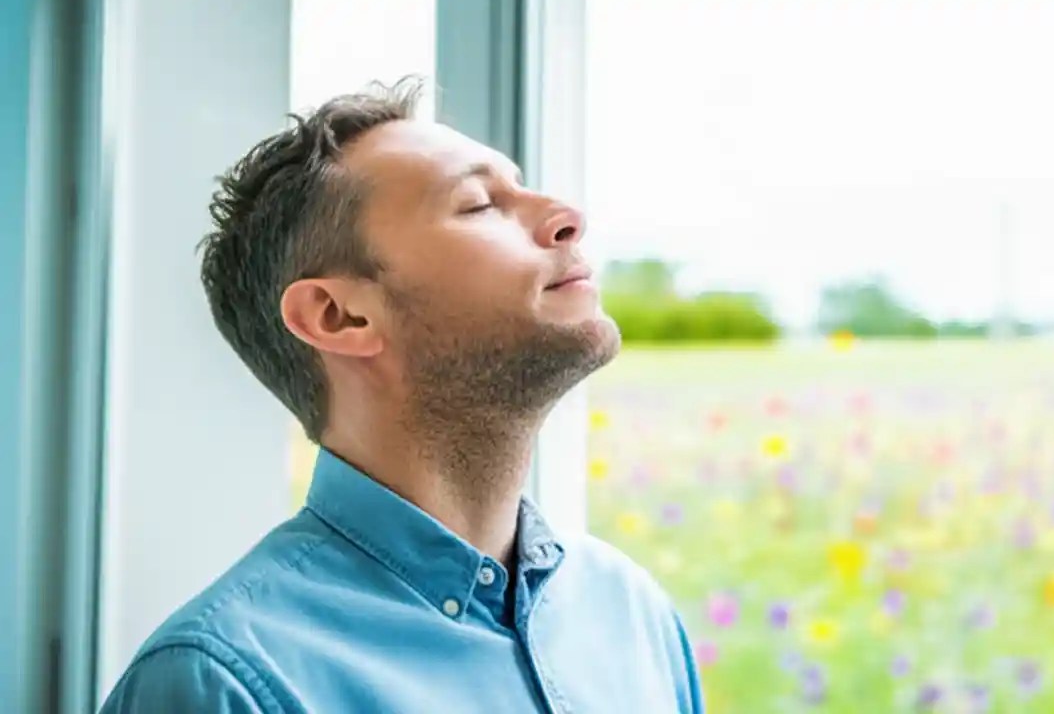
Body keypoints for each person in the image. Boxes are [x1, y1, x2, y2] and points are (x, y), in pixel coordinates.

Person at [99, 78, 703, 714]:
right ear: (339, 316)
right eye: (477, 204)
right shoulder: (219, 682)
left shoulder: (632, 614)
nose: (566, 218)